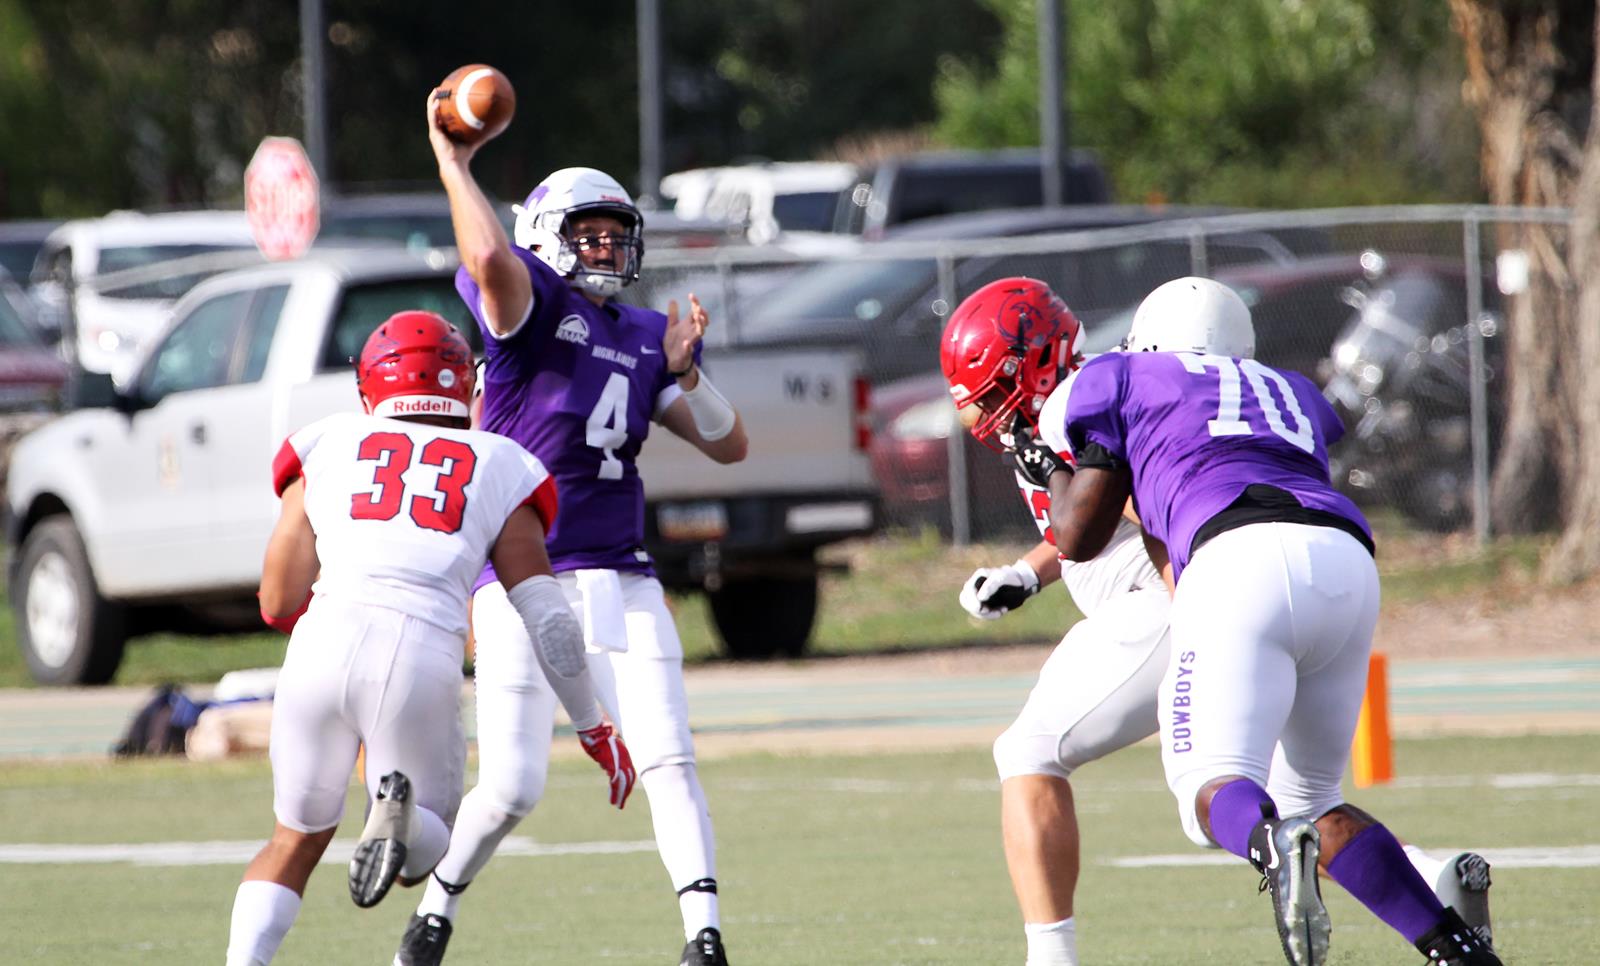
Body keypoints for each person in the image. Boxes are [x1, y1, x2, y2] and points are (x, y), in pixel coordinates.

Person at [945, 277, 1493, 965]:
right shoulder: (1282, 391)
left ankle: (1051, 958)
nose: (980, 419)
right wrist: (1027, 571)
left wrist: (1192, 601)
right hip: (1341, 558)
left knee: (1127, 775)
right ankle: (1439, 906)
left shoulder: (1112, 385)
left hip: (1200, 587)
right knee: (1307, 800)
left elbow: (1125, 511)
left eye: (990, 396)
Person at [415, 91, 748, 966]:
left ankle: (702, 936)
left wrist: (685, 375)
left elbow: (728, 445)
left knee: (669, 756)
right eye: (588, 232)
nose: (607, 247)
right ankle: (438, 907)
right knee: (515, 784)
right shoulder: (527, 315)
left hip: (625, 574)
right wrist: (455, 161)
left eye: (614, 233)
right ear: (547, 239)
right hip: (524, 580)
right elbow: (487, 253)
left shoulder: (642, 334)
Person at [224, 312, 635, 966]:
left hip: (321, 643)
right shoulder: (501, 461)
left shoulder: (327, 442)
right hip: (417, 654)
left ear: (369, 392)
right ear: (466, 385)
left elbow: (278, 599)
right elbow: (548, 616)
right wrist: (592, 724)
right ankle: (400, 816)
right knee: (426, 853)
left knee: (293, 839)